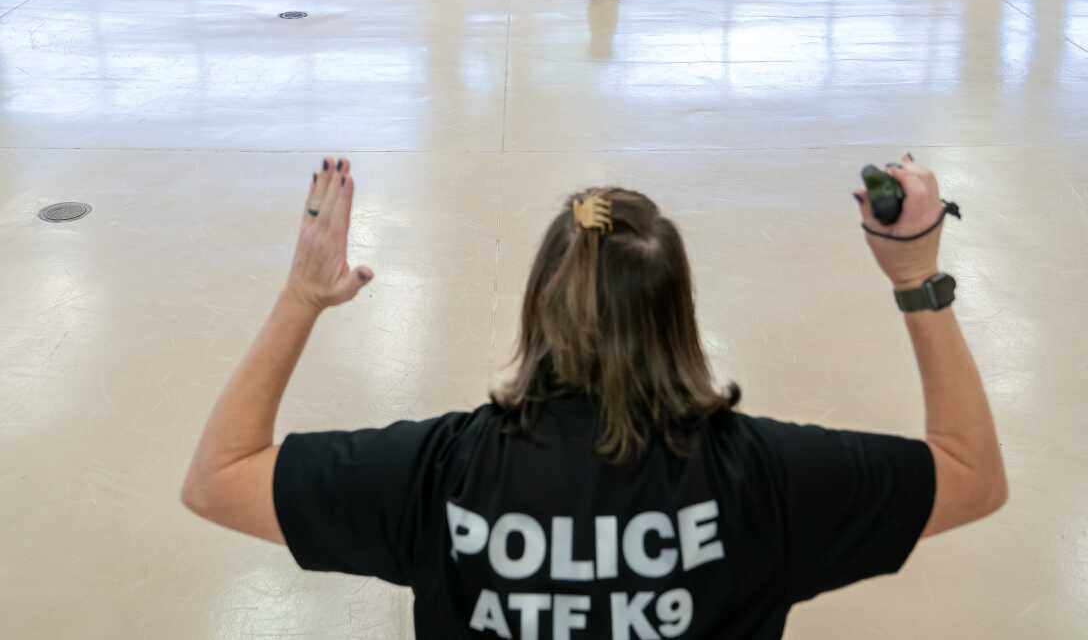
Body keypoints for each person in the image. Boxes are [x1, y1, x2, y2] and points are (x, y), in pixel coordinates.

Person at [182, 154, 1007, 639]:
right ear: (679, 316)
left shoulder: (442, 473)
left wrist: (302, 294)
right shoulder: (760, 477)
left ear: (537, 307)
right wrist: (916, 277)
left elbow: (218, 477)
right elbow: (972, 476)